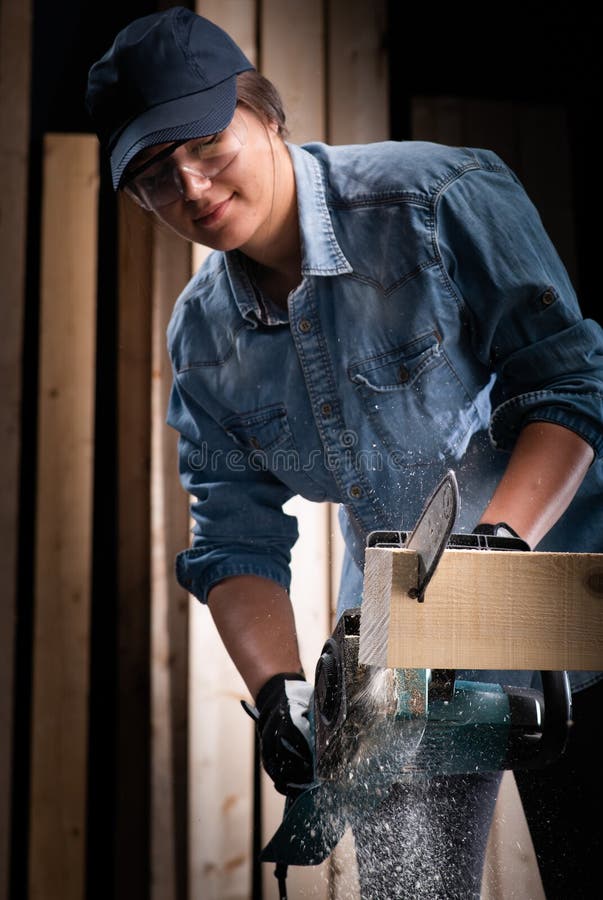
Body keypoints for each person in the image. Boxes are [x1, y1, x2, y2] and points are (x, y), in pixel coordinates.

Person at [86, 7, 603, 898]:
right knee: (408, 889)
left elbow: (567, 386)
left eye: (206, 144)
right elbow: (234, 539)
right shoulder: (203, 339)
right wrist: (278, 692)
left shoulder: (435, 196)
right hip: (401, 625)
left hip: (567, 577)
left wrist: (494, 549)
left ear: (265, 112)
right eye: (155, 177)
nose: (192, 187)